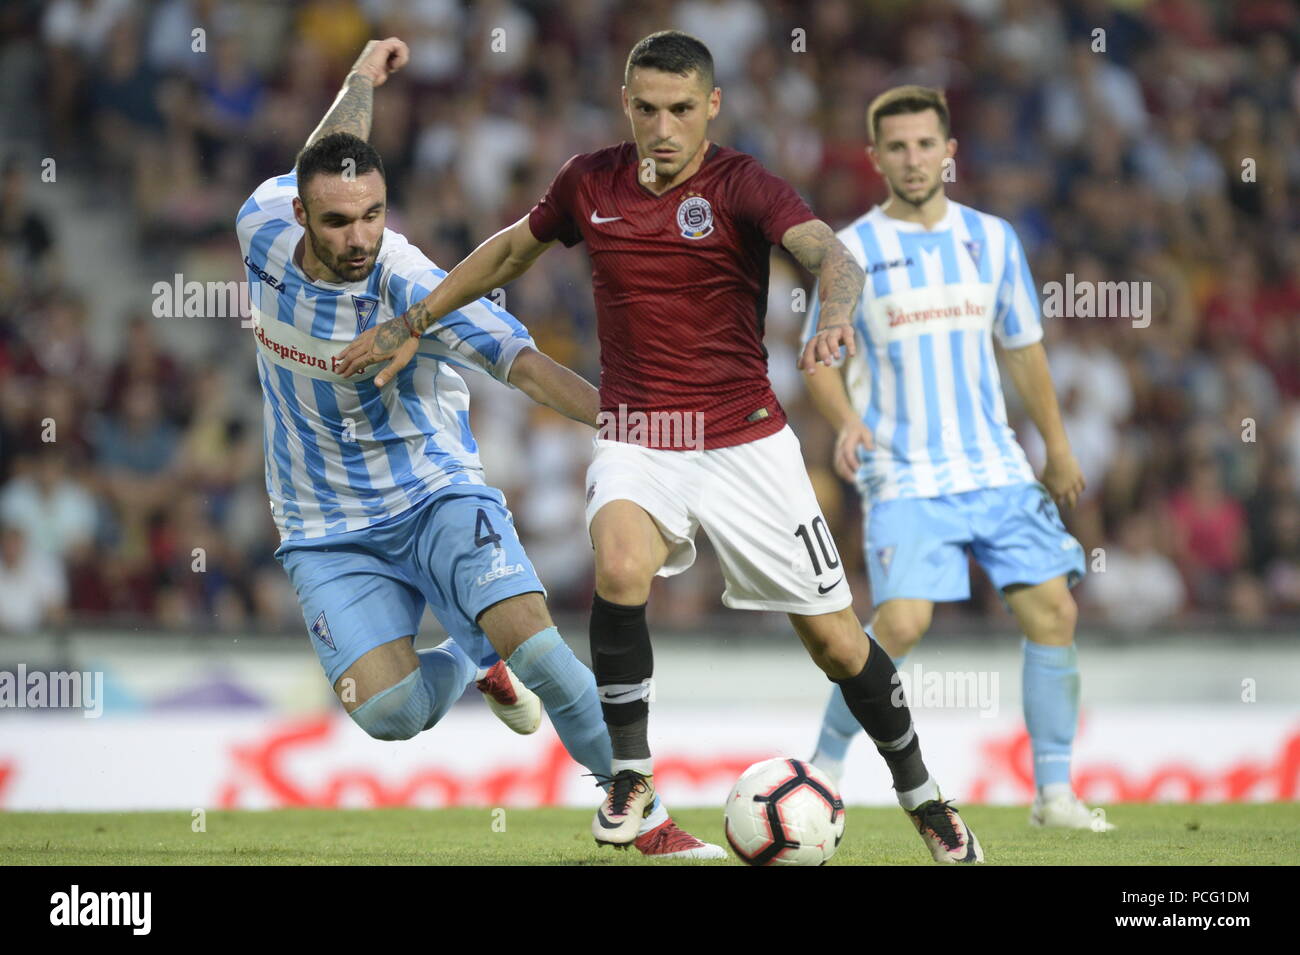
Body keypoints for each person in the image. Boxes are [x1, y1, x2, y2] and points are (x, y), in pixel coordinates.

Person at [340, 32, 983, 864]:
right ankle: (632, 777)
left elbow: (835, 254)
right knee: (619, 563)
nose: (663, 127)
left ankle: (924, 796)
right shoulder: (589, 181)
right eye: (647, 108)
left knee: (838, 643)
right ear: (627, 105)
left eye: (681, 109)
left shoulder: (742, 183)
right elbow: (508, 251)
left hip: (747, 440)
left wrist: (833, 315)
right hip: (641, 433)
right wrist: (414, 318)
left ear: (711, 106)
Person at [238, 37, 720, 859]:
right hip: (321, 522)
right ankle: (469, 656)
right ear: (297, 216)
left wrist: (640, 426)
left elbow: (526, 368)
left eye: (373, 214)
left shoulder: (416, 287)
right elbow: (324, 151)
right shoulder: (259, 232)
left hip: (435, 493)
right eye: (339, 220)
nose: (360, 236)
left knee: (539, 647)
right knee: (390, 713)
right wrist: (360, 77)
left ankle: (648, 821)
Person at [800, 85, 1108, 830]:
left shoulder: (993, 238)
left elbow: (1024, 348)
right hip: (903, 469)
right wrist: (844, 422)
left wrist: (1056, 446)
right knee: (901, 623)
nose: (913, 158)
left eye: (924, 144)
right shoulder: (853, 253)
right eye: (897, 147)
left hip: (995, 465)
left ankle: (1054, 795)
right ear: (875, 158)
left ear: (950, 152)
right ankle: (826, 766)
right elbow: (819, 358)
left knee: (1054, 609)